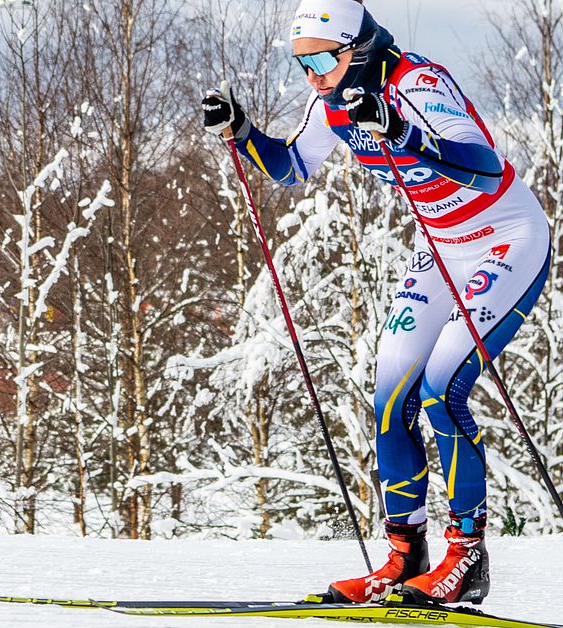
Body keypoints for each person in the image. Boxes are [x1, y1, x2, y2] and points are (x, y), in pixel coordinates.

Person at [202, 0, 549, 606]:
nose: (312, 76)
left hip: (504, 237)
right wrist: (242, 130)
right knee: (390, 397)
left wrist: (401, 131)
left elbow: (485, 168)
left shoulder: (419, 82)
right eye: (301, 63)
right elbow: (291, 166)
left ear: (357, 48)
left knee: (443, 388)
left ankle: (466, 559)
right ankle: (404, 555)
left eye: (322, 60)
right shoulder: (330, 102)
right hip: (441, 245)